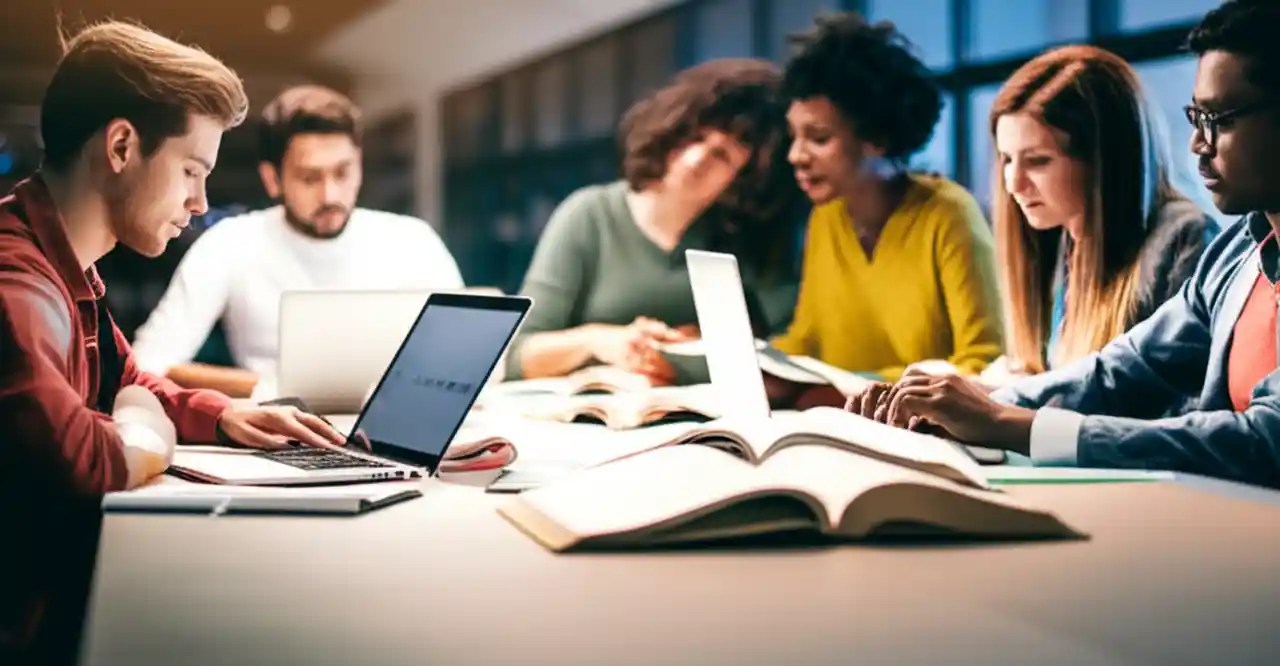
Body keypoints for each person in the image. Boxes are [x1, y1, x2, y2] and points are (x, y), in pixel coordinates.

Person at [0, 20, 344, 666]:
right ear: (122, 146)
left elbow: (130, 384)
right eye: (192, 171)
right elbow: (85, 457)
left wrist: (229, 416)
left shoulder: (70, 269)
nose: (200, 204)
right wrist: (144, 435)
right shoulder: (15, 278)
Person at [848, 0, 1280, 486]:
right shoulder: (1235, 258)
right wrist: (968, 406)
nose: (1198, 145)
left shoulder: (1188, 237)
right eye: (1197, 117)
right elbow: (1121, 370)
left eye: (1222, 119)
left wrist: (1010, 424)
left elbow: (1264, 440)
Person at [132, 85, 463, 396]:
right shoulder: (230, 244)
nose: (330, 194)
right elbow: (148, 361)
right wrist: (270, 387)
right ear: (272, 179)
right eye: (309, 178)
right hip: (280, 430)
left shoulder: (412, 240)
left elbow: (468, 359)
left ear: (359, 166)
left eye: (343, 172)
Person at [507, 58, 800, 384]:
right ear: (672, 125)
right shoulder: (589, 214)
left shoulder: (747, 236)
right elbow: (518, 354)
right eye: (695, 136)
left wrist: (679, 363)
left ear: (745, 180)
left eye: (722, 155)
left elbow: (791, 352)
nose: (694, 159)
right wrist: (599, 340)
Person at [769, 13, 1003, 408]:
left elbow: (984, 363)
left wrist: (854, 387)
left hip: (923, 431)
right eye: (794, 137)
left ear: (876, 137)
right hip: (840, 423)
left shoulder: (947, 214)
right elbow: (806, 340)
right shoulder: (826, 217)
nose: (795, 156)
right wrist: (757, 361)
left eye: (819, 138)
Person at [975, 45, 1217, 384]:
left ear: (1105, 161)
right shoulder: (1062, 233)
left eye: (1038, 161)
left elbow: (1164, 405)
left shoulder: (1184, 237)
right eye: (1007, 159)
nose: (1014, 184)